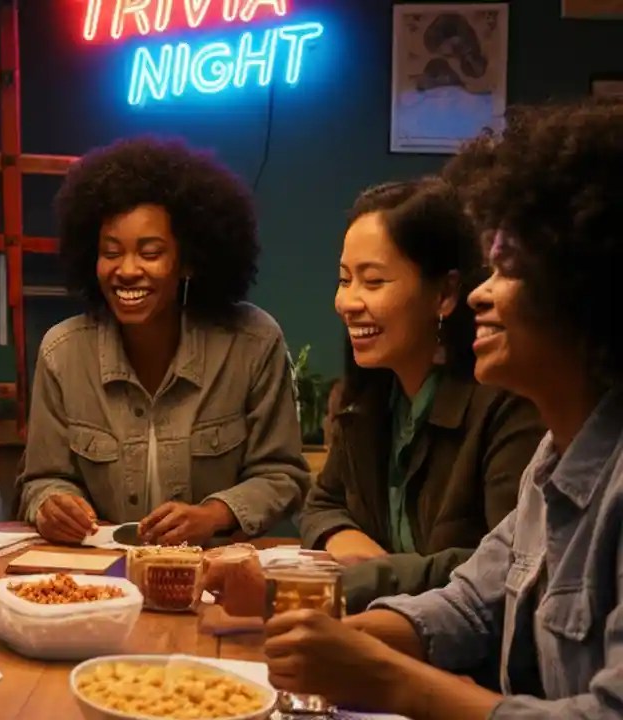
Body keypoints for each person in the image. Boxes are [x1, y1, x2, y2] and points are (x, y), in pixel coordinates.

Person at [260, 100, 623, 718]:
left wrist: (384, 674)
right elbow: (471, 604)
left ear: (588, 288)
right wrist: (341, 639)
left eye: (509, 269)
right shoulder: (553, 459)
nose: (482, 293)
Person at [16, 137, 309, 546]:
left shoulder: (252, 342)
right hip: (99, 572)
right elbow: (41, 479)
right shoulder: (62, 352)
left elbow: (281, 474)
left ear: (187, 262)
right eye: (111, 252)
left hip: (214, 568)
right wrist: (52, 504)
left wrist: (213, 515)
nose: (127, 270)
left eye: (150, 253)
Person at [298, 178, 543, 611]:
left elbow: (506, 566)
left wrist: (374, 576)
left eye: (373, 281)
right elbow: (323, 502)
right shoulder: (369, 397)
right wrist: (342, 535)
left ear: (445, 294)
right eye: (344, 279)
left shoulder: (506, 404)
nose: (347, 302)